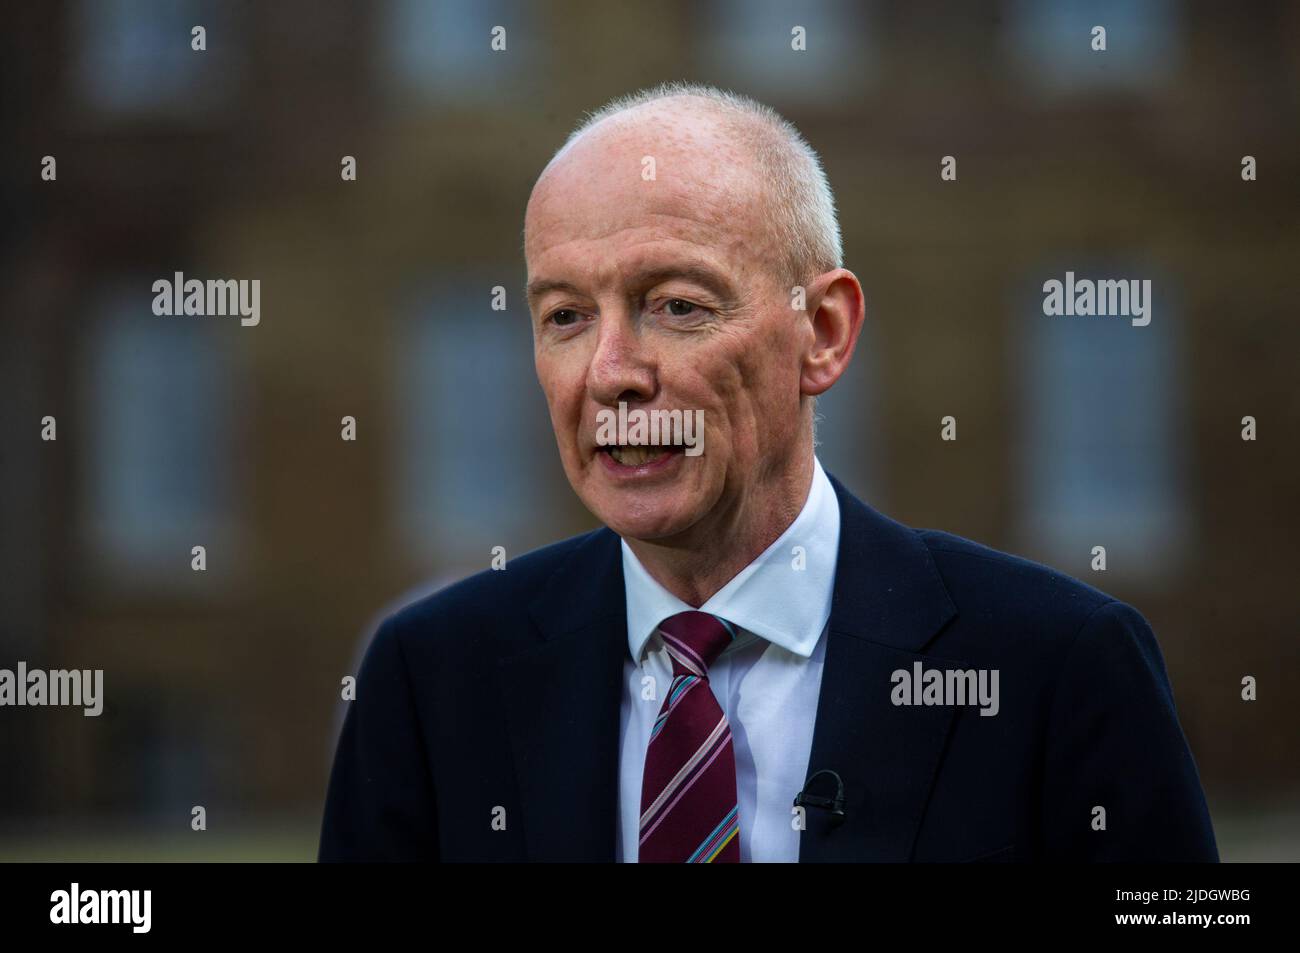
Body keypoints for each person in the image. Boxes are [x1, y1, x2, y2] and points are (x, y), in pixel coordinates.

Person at [318, 82, 1217, 862]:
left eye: (676, 305)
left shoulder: (1058, 666)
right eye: (565, 317)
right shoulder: (432, 679)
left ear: (822, 332)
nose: (610, 372)